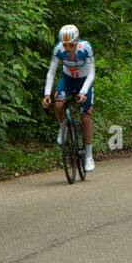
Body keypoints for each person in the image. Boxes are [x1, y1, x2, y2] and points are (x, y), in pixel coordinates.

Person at [42, 24, 95, 172]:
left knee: (85, 117)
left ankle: (88, 156)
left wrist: (84, 91)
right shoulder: (59, 49)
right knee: (58, 104)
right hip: (67, 78)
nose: (68, 48)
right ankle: (63, 128)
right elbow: (51, 72)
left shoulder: (86, 48)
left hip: (84, 80)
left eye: (71, 45)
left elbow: (92, 73)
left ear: (77, 41)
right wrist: (47, 93)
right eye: (65, 45)